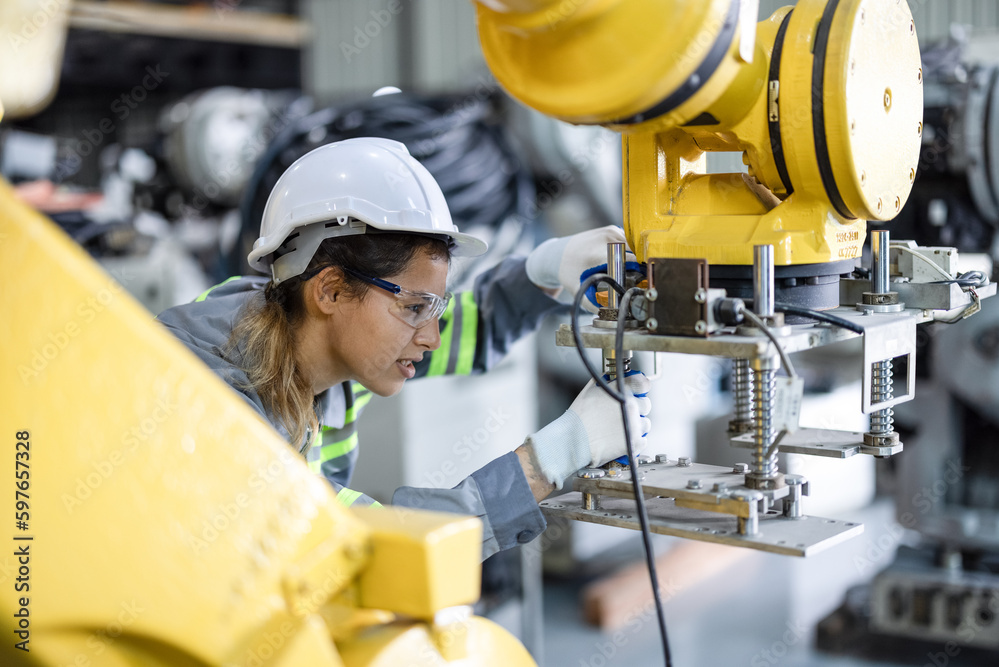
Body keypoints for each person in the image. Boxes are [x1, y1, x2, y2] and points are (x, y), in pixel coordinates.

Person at [158, 137, 651, 559]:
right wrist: (554, 457)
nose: (432, 336)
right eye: (416, 308)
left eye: (434, 308)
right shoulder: (212, 397)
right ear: (330, 290)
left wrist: (545, 270)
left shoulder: (311, 331)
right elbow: (362, 547)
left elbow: (473, 326)